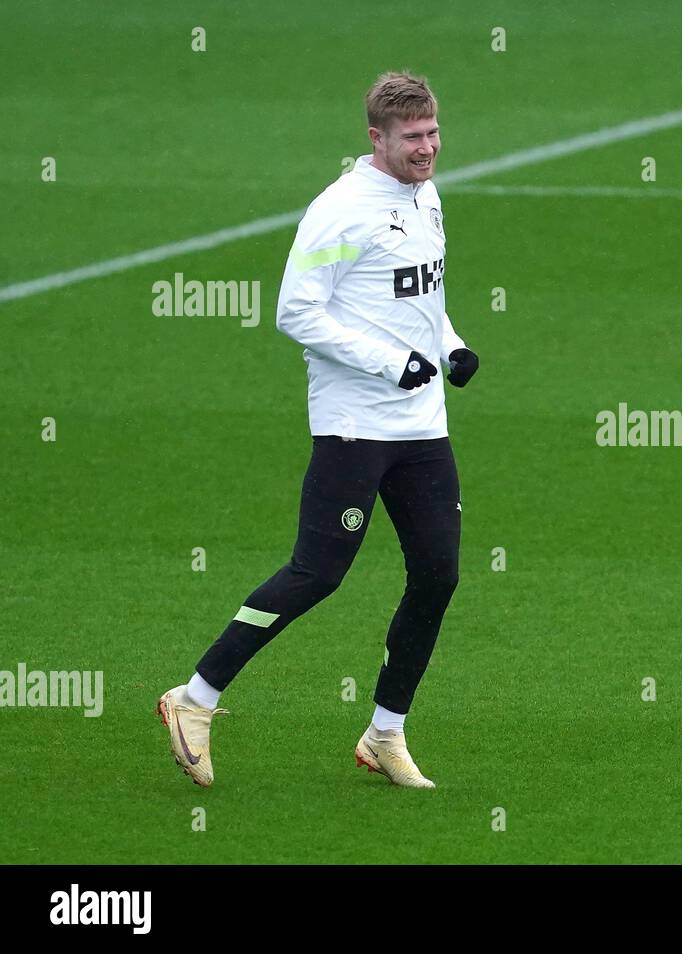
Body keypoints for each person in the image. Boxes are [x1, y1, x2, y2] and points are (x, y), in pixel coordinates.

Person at [158, 71, 478, 788]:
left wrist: (449, 346)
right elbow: (296, 311)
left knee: (439, 573)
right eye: (412, 138)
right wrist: (390, 362)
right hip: (354, 426)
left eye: (432, 133)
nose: (427, 148)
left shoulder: (426, 196)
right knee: (317, 573)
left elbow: (419, 297)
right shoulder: (340, 211)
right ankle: (194, 698)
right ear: (376, 138)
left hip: (422, 426)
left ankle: (384, 733)